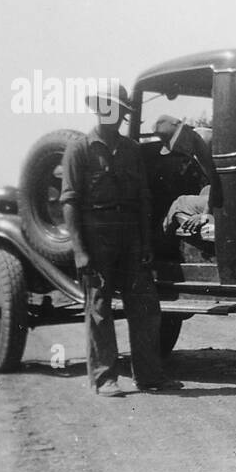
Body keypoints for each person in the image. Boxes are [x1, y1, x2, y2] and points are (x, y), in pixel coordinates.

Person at [59, 82, 182, 398]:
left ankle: (150, 376)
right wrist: (80, 250)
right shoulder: (80, 149)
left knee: (145, 306)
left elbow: (142, 198)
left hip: (129, 233)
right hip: (97, 233)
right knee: (99, 307)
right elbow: (69, 202)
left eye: (119, 110)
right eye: (107, 107)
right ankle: (104, 378)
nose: (113, 115)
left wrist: (144, 244)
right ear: (99, 108)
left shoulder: (130, 150)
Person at [152, 114, 224, 215]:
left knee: (179, 203)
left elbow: (216, 181)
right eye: (176, 147)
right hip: (223, 192)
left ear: (185, 132)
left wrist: (204, 215)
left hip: (226, 196)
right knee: (204, 191)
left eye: (178, 143)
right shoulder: (199, 142)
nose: (180, 149)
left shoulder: (203, 142)